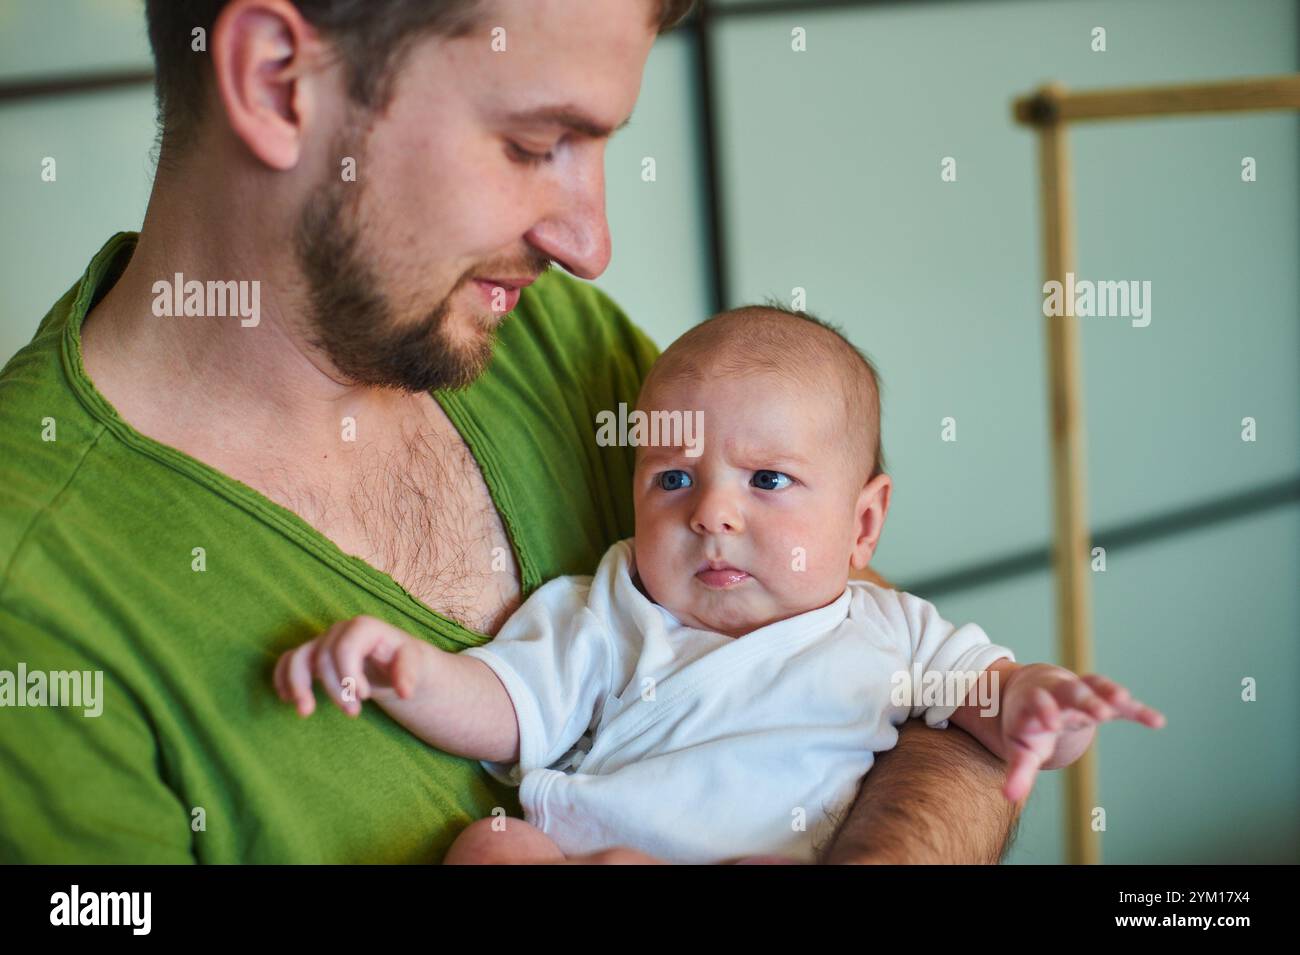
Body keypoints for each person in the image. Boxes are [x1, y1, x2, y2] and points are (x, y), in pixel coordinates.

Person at [0, 0, 1018, 863]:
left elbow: (877, 664)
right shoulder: (39, 615)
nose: (589, 244)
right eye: (535, 145)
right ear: (277, 82)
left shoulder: (547, 340)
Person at [275, 307, 1166, 863]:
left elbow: (992, 710)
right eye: (672, 478)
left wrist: (1044, 708)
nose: (712, 515)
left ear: (863, 524)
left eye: (767, 481)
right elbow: (506, 703)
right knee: (491, 845)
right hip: (584, 846)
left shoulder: (892, 634)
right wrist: (411, 670)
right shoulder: (615, 606)